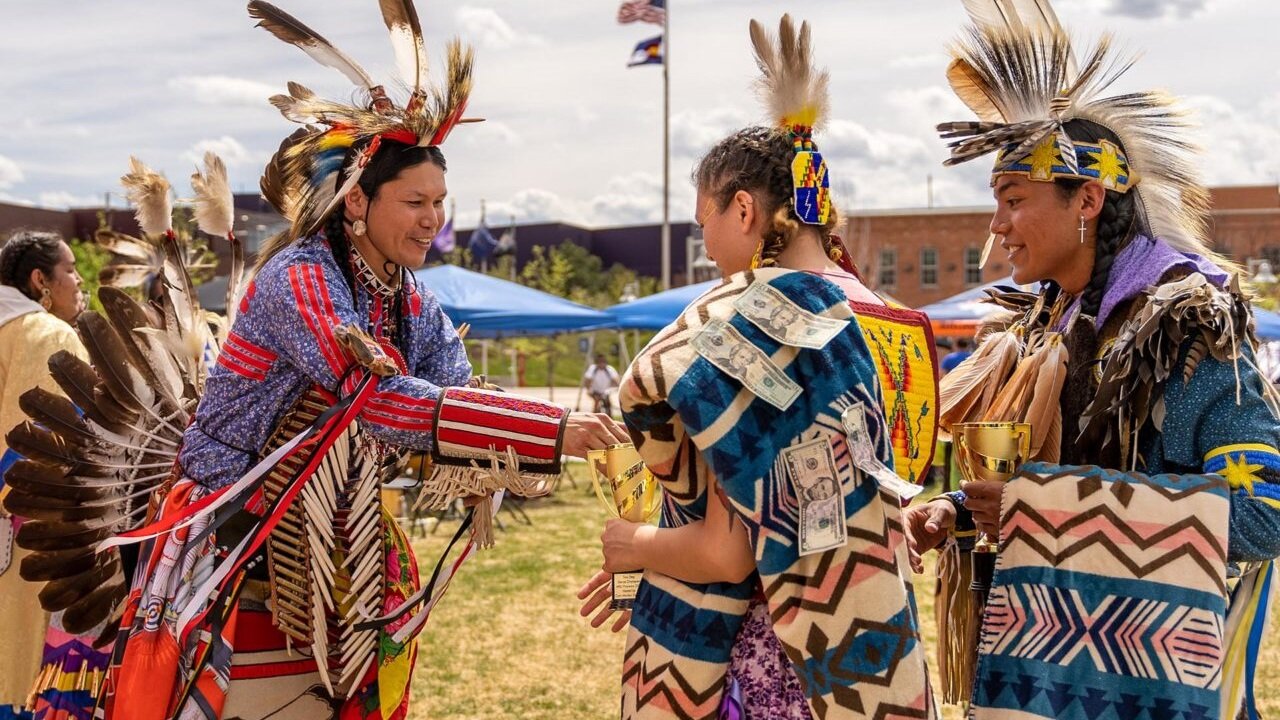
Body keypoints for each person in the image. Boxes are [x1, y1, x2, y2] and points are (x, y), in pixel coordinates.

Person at [0, 4, 626, 719]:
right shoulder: (300, 278)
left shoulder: (403, 296)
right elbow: (379, 400)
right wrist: (547, 430)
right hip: (238, 541)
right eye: (415, 201)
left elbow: (451, 386)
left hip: (341, 536)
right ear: (356, 200)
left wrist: (523, 429)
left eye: (441, 202)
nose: (433, 219)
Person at [903, 3, 1280, 719]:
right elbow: (1053, 479)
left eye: (1013, 200)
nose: (997, 226)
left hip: (1161, 690)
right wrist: (957, 511)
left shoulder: (1185, 323)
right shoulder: (1053, 323)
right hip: (1051, 681)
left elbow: (1266, 511)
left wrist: (1042, 509)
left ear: (1088, 199)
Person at [579, 16, 939, 719]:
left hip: (769, 656)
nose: (707, 244)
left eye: (703, 222)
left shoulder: (756, 328)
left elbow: (727, 554)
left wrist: (636, 546)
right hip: (870, 650)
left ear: (743, 209)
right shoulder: (899, 322)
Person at [0, 231, 88, 719]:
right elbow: (36, 445)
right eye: (71, 269)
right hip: (28, 542)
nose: (79, 281)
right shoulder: (47, 334)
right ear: (40, 280)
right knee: (25, 674)